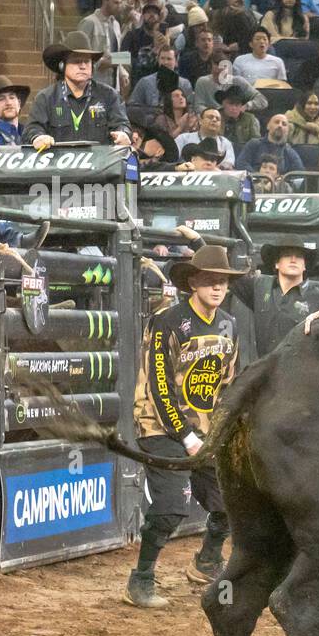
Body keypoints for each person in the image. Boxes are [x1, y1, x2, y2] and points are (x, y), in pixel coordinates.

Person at [126, 245, 247, 607]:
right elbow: (160, 387)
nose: (217, 288)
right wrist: (185, 435)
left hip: (206, 428)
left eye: (222, 282)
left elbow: (228, 383)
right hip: (160, 427)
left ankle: (207, 561)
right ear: (193, 283)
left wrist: (223, 430)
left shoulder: (229, 325)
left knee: (229, 501)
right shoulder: (166, 322)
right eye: (210, 281)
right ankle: (141, 579)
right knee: (170, 508)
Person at [24, 32, 132, 149]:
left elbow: (122, 124)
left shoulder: (109, 95)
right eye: (76, 61)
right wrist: (37, 137)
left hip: (99, 164)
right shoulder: (45, 98)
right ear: (62, 66)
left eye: (87, 61)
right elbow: (32, 128)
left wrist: (124, 133)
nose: (83, 66)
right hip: (58, 164)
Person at [230, 237, 319, 358]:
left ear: (305, 265)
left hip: (300, 372)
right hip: (263, 372)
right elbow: (223, 274)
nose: (293, 259)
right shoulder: (259, 286)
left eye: (299, 256)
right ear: (276, 263)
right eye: (287, 255)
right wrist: (201, 242)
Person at [0, 75, 29, 148]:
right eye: (1, 99)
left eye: (12, 97)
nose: (8, 102)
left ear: (19, 104)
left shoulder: (29, 133)